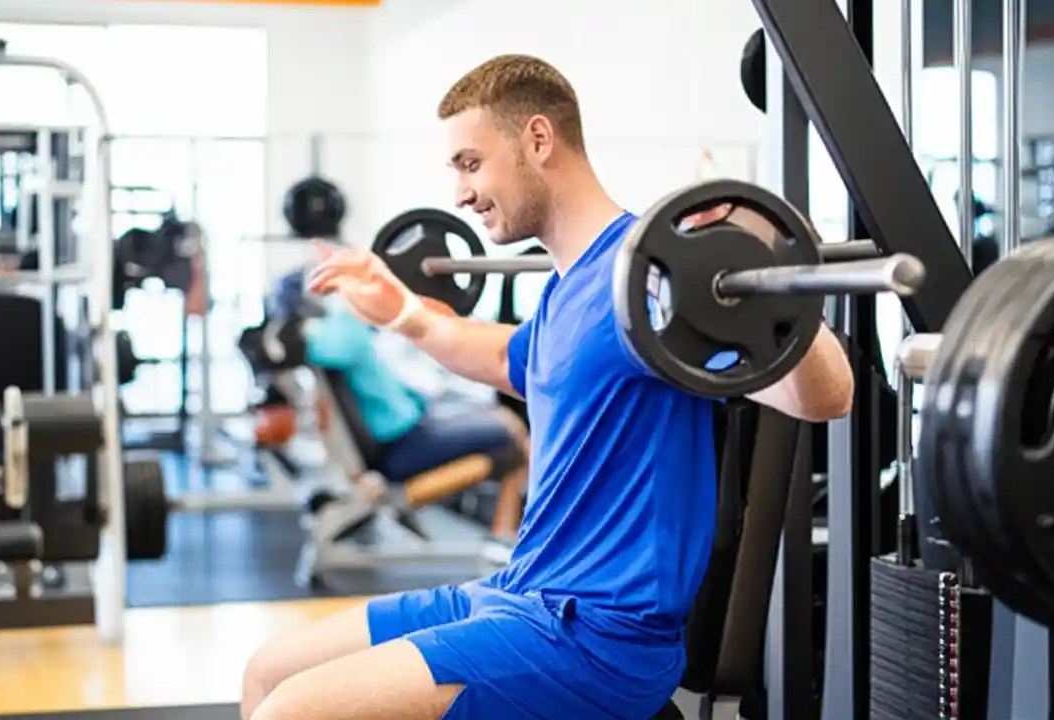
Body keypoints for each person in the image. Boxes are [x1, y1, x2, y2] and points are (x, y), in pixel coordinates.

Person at [241, 54, 855, 720]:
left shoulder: (653, 284)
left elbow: (825, 397)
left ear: (538, 139)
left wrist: (762, 278)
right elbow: (506, 357)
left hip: (594, 637)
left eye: (471, 164)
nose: (459, 195)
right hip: (522, 591)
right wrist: (404, 312)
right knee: (269, 673)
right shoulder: (570, 287)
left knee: (294, 712)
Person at [298, 284, 530, 543]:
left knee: (503, 419)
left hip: (411, 431)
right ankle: (506, 536)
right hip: (404, 446)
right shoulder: (345, 331)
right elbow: (319, 348)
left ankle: (510, 534)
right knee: (513, 435)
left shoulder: (340, 329)